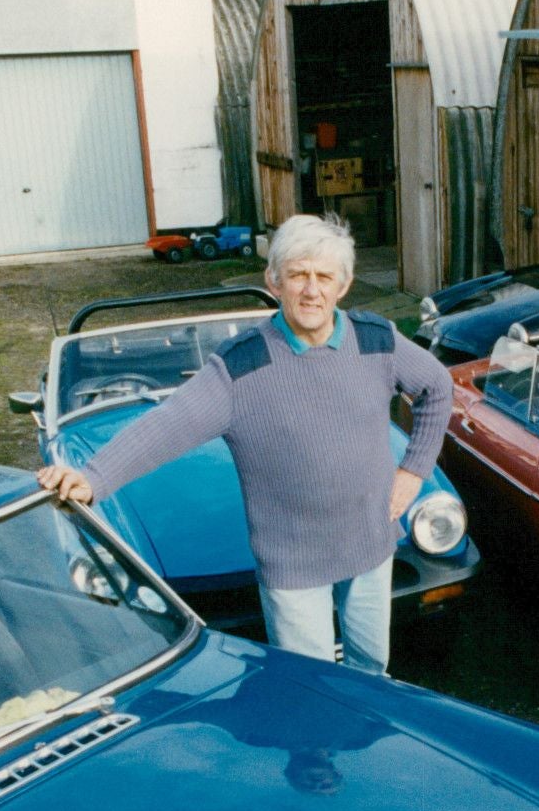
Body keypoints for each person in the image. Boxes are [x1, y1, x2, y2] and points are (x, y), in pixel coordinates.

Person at [37, 212, 453, 676]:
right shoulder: (240, 367)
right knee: (308, 683)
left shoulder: (379, 341)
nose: (311, 290)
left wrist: (414, 470)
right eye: (298, 275)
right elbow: (166, 425)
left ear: (344, 284)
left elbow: (438, 387)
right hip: (293, 563)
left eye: (323, 277)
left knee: (372, 671)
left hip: (371, 542)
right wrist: (92, 477)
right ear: (274, 282)